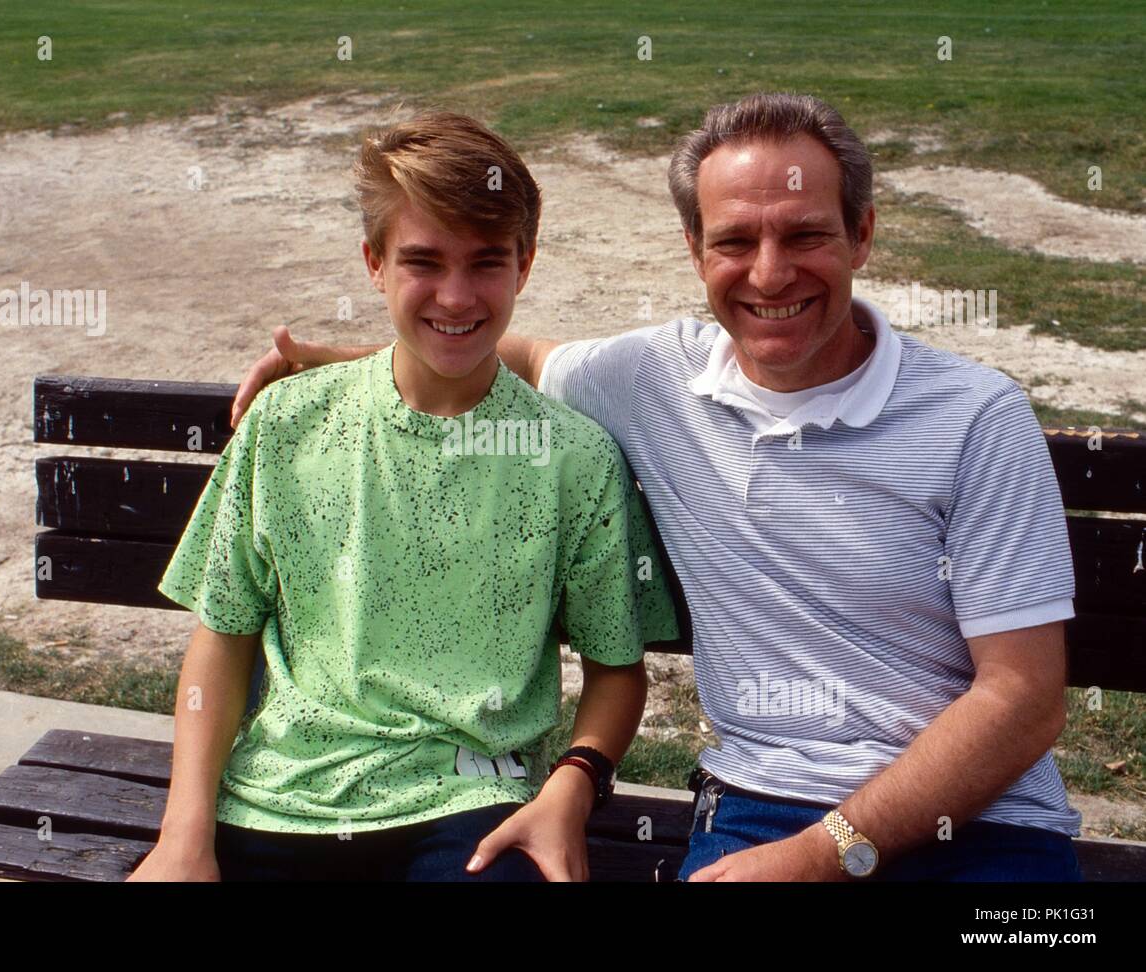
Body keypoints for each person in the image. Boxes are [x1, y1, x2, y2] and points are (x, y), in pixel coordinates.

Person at [232, 93, 1083, 882]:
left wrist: (827, 857)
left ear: (862, 234)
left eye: (806, 235)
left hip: (983, 827)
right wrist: (328, 366)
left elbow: (1022, 699)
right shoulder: (654, 378)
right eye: (735, 242)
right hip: (761, 806)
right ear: (695, 250)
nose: (770, 273)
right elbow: (504, 356)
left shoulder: (976, 417)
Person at [127, 111, 678, 882]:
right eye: (424, 261)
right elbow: (223, 633)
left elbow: (616, 666)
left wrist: (573, 783)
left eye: (487, 262)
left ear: (524, 266)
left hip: (471, 802)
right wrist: (183, 838)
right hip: (279, 799)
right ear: (374, 263)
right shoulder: (286, 424)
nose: (456, 296)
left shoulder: (574, 459)